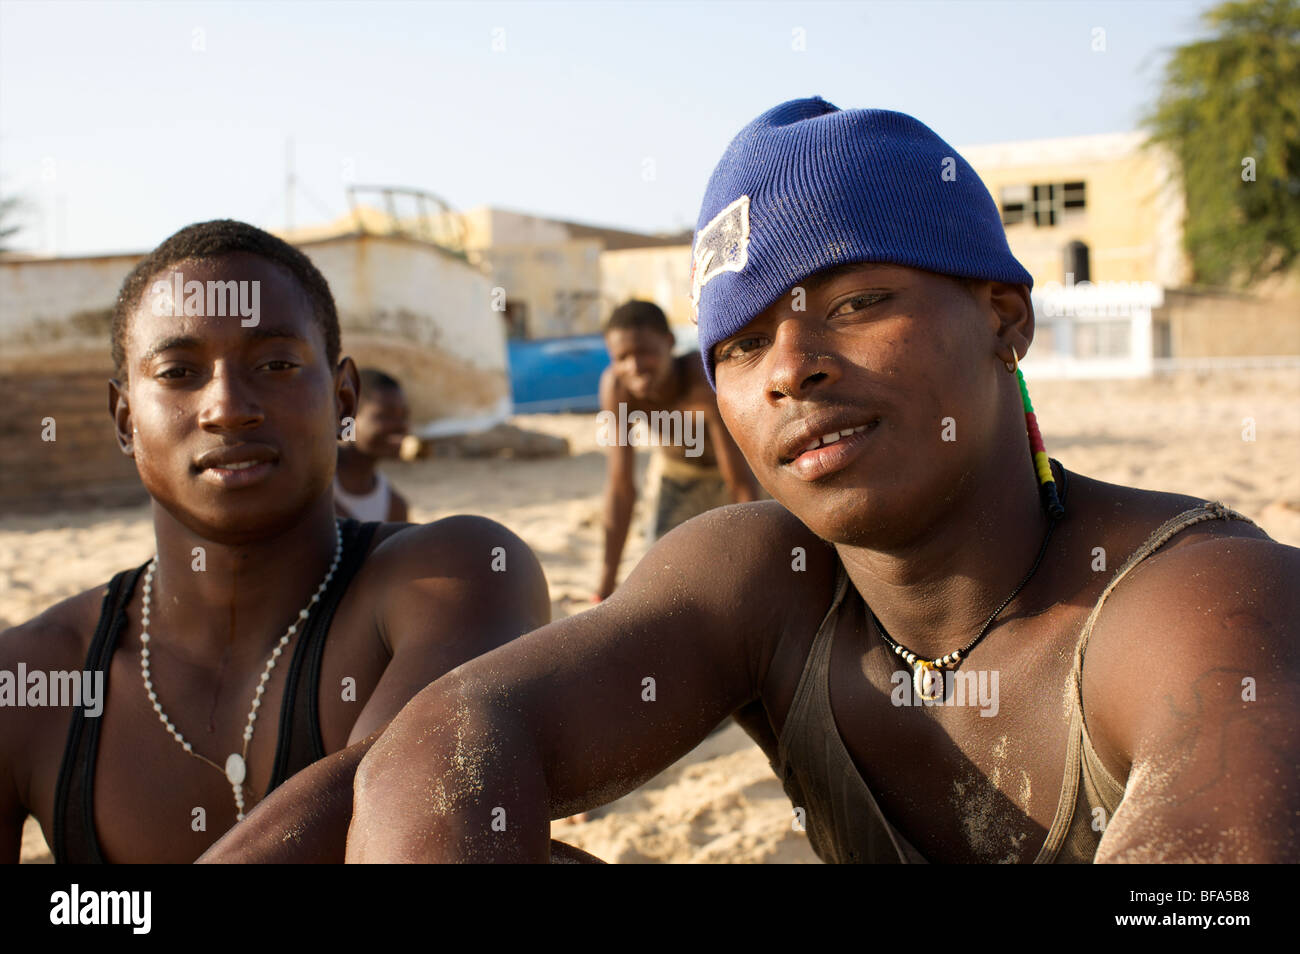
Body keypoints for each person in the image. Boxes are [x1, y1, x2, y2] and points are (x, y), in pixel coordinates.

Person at [345, 99, 1300, 864]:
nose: (789, 369)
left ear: (1005, 317)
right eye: (745, 342)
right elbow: (438, 749)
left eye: (857, 302)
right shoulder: (766, 580)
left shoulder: (1200, 597)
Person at [0, 220, 550, 863]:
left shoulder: (457, 579)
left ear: (344, 397)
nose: (228, 406)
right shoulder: (34, 677)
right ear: (126, 421)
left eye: (276, 364)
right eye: (179, 372)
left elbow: (411, 808)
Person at [596, 300, 759, 601]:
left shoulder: (700, 379)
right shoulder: (617, 389)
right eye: (622, 357)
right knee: (665, 569)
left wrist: (755, 559)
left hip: (741, 471)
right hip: (675, 471)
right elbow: (620, 488)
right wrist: (604, 590)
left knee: (739, 563)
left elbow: (739, 482)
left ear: (669, 342)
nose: (635, 366)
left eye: (645, 352)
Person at [334, 368, 410, 523]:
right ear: (346, 416)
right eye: (385, 415)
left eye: (404, 416)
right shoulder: (311, 485)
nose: (400, 426)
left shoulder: (394, 507)